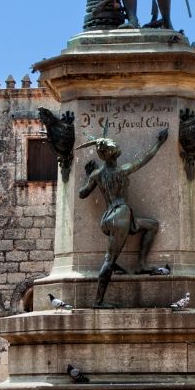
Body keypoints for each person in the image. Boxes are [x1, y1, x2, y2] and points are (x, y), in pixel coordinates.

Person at [78, 128, 169, 306]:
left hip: (112, 216)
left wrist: (90, 177)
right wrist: (158, 143)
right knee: (110, 260)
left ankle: (141, 264)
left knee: (152, 226)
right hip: (121, 215)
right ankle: (98, 301)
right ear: (112, 155)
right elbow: (144, 159)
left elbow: (82, 194)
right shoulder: (122, 171)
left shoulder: (98, 174)